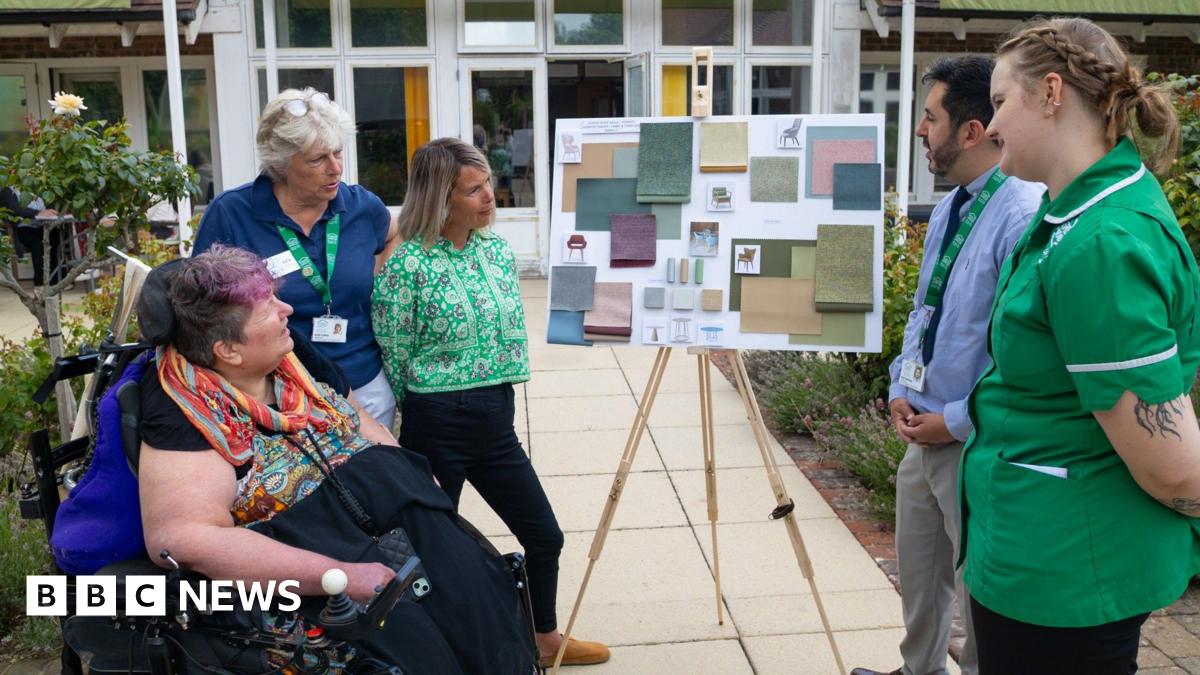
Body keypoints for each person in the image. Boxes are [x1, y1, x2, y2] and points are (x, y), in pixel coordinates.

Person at [137, 245, 534, 673]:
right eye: (269, 307)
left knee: (480, 609)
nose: (287, 309)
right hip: (323, 575)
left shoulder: (290, 355)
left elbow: (361, 420)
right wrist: (339, 574)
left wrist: (416, 479)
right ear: (229, 351)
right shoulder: (182, 407)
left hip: (396, 531)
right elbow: (181, 538)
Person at [961, 17, 1200, 673]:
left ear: (1051, 93)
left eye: (1000, 99)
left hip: (1065, 579)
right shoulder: (1073, 211)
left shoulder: (1099, 242)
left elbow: (1173, 464)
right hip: (1042, 563)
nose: (991, 123)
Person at [372, 137, 610, 668]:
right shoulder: (408, 264)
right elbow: (394, 348)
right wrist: (420, 415)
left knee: (545, 536)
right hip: (438, 421)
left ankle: (544, 640)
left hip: (496, 420)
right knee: (432, 555)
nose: (489, 197)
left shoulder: (497, 252)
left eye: (489, 185)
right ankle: (440, 653)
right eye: (473, 189)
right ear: (441, 197)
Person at [850, 55, 1044, 675]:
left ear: (971, 130)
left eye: (929, 118)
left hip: (973, 444)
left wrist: (954, 422)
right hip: (921, 432)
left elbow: (1022, 356)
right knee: (920, 579)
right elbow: (925, 312)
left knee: (977, 595)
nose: (918, 131)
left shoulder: (1022, 216)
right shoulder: (949, 208)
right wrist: (902, 385)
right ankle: (919, 671)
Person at [192, 88, 400, 430]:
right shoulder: (232, 213)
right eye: (318, 159)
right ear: (282, 163)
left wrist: (381, 285)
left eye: (338, 153)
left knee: (371, 479)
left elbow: (394, 231)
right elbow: (202, 307)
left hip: (364, 385)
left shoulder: (360, 206)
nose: (335, 169)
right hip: (278, 395)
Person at [2, 186, 62, 286]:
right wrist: (38, 213)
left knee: (56, 234)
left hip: (41, 225)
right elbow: (15, 210)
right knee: (38, 238)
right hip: (22, 228)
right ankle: (41, 282)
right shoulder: (8, 191)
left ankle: (58, 278)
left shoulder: (35, 187)